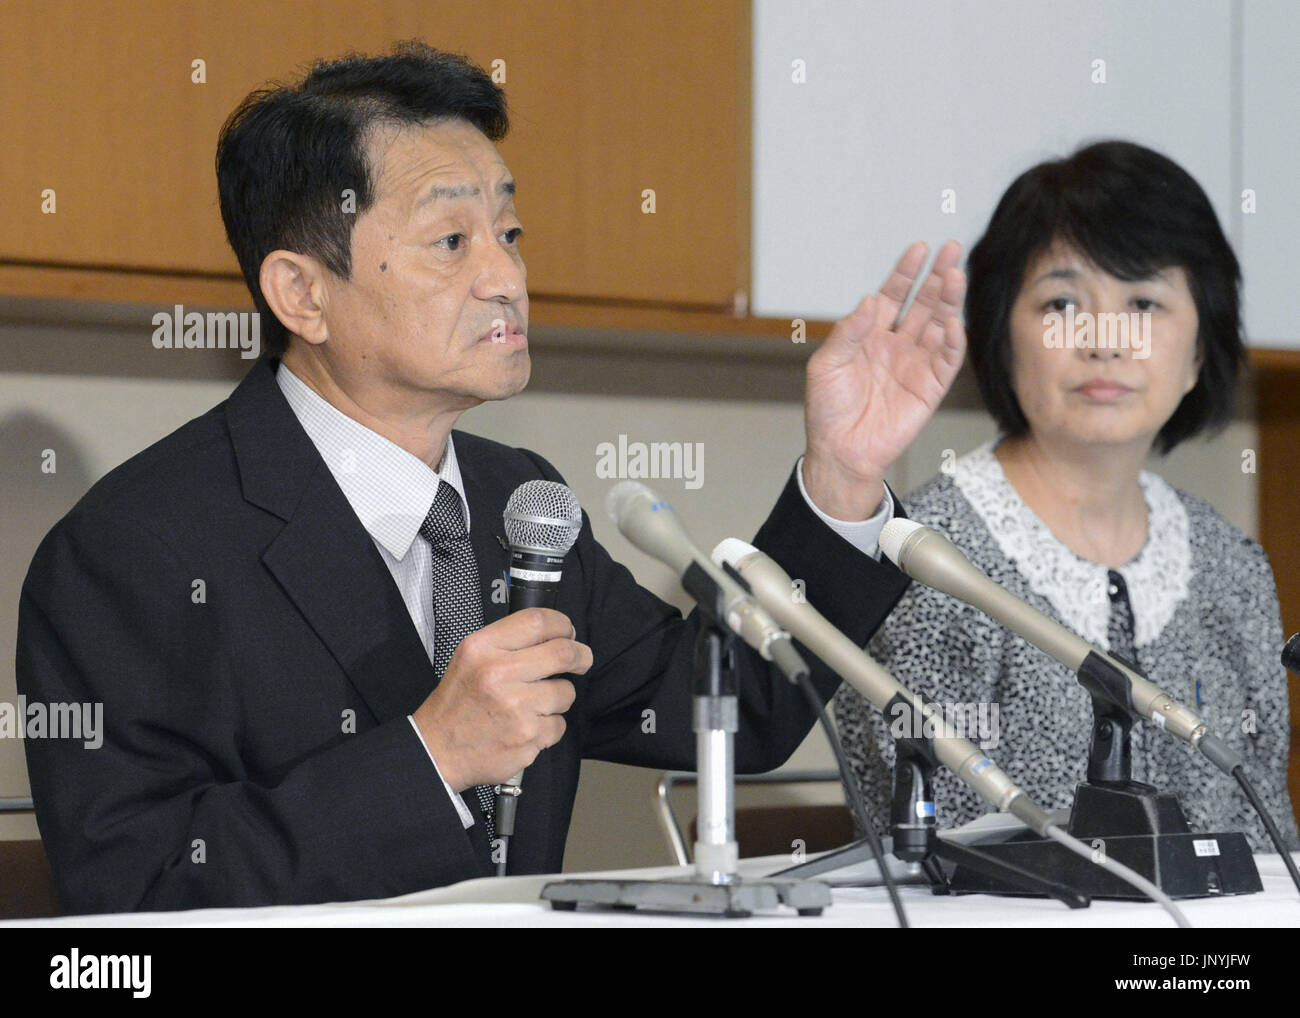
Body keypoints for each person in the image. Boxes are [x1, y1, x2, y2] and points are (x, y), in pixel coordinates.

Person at [16, 42, 968, 914]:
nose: (507, 279)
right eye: (451, 242)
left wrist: (840, 475)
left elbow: (731, 711)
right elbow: (131, 886)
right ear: (302, 292)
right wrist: (430, 759)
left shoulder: (522, 501)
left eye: (508, 233)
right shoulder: (132, 547)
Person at [834, 140, 1300, 853]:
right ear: (1000, 337)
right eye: (1062, 303)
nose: (1104, 340)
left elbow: (1271, 849)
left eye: (1143, 302)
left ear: (1200, 351)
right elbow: (933, 859)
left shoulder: (1232, 566)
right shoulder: (926, 558)